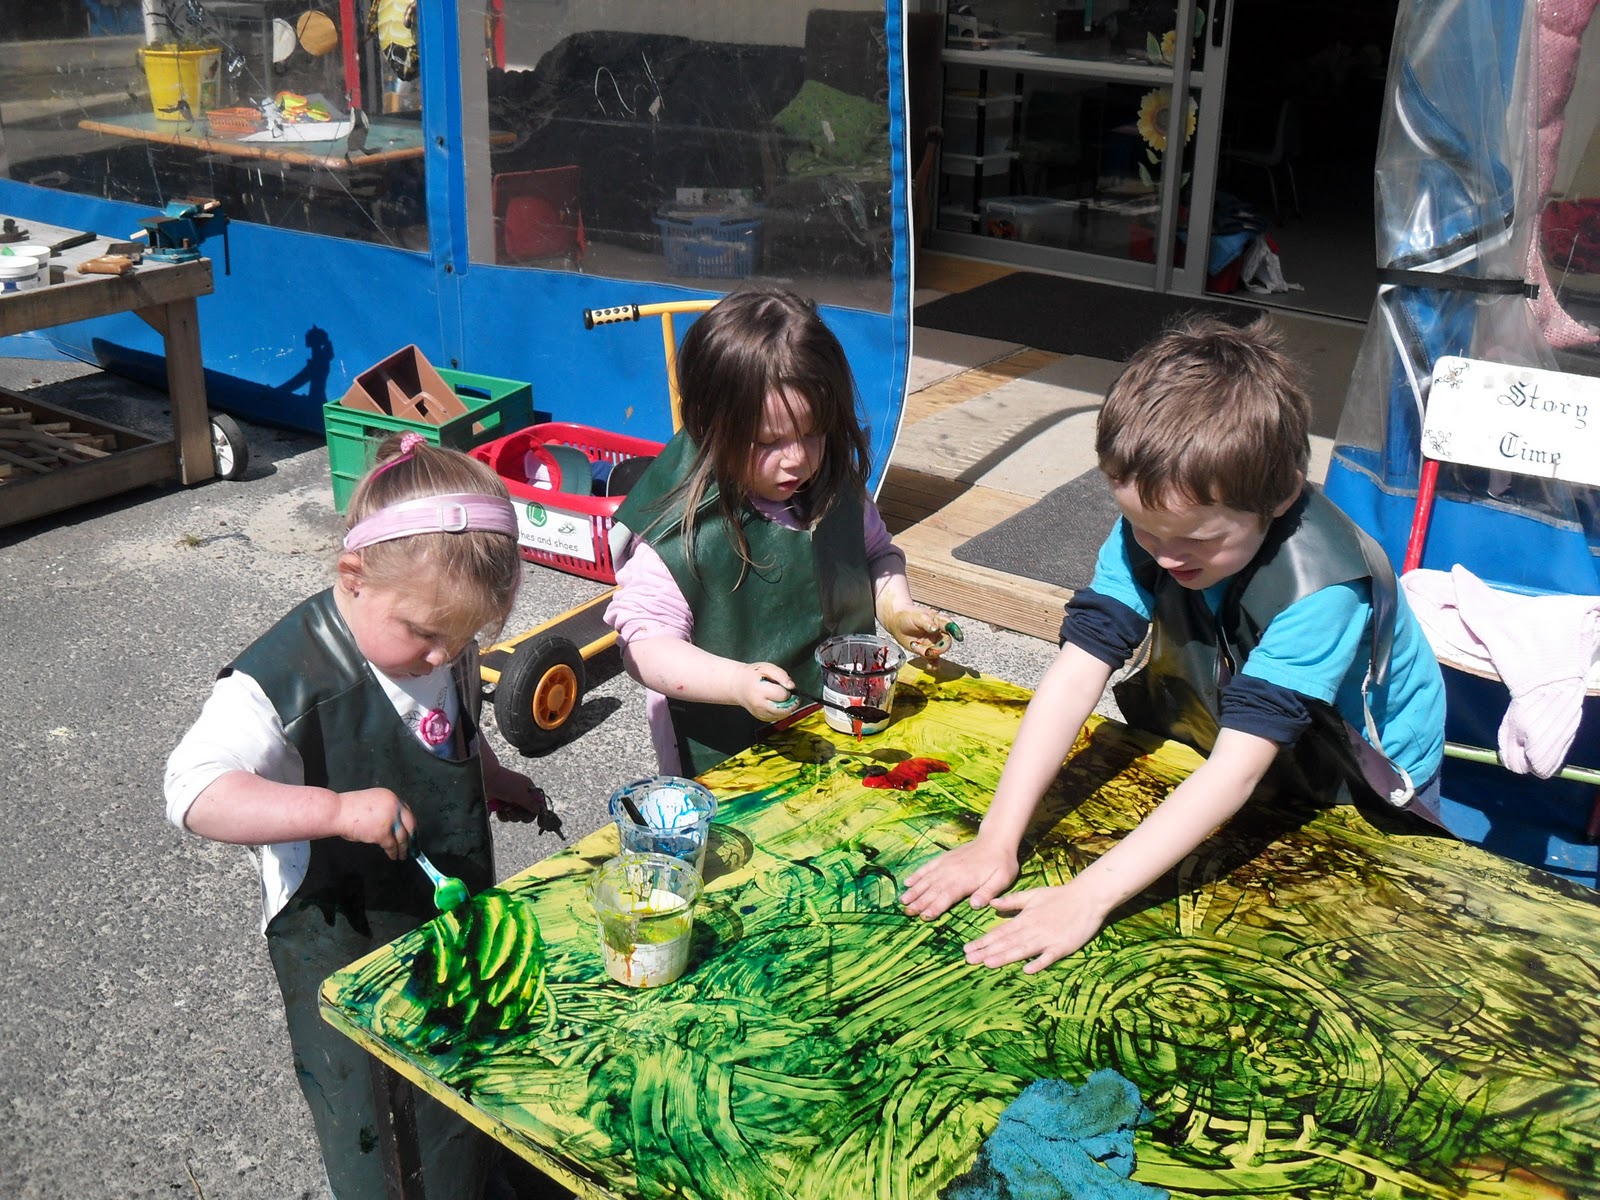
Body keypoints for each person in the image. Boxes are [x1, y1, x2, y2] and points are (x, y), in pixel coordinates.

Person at [900, 315, 1445, 973]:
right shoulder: (1160, 525)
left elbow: (1236, 770)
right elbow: (1076, 673)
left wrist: (1088, 896)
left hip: (1365, 765)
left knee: (1342, 917)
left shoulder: (1320, 593)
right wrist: (997, 838)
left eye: (1196, 541)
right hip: (1244, 714)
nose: (1163, 554)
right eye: (1144, 529)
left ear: (1279, 495)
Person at [164, 433, 552, 1200]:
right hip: (346, 972)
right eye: (428, 635)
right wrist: (333, 809)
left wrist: (493, 773)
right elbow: (192, 790)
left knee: (462, 1104)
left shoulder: (431, 642)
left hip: (446, 947)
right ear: (354, 577)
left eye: (466, 638)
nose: (446, 658)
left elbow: (451, 722)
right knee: (384, 1144)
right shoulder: (284, 681)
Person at [604, 286, 951, 776]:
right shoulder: (680, 532)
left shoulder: (834, 491)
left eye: (812, 432)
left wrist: (896, 608)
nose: (798, 458)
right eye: (768, 441)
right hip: (723, 757)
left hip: (832, 732)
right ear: (711, 427)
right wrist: (736, 683)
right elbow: (644, 650)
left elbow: (876, 555)